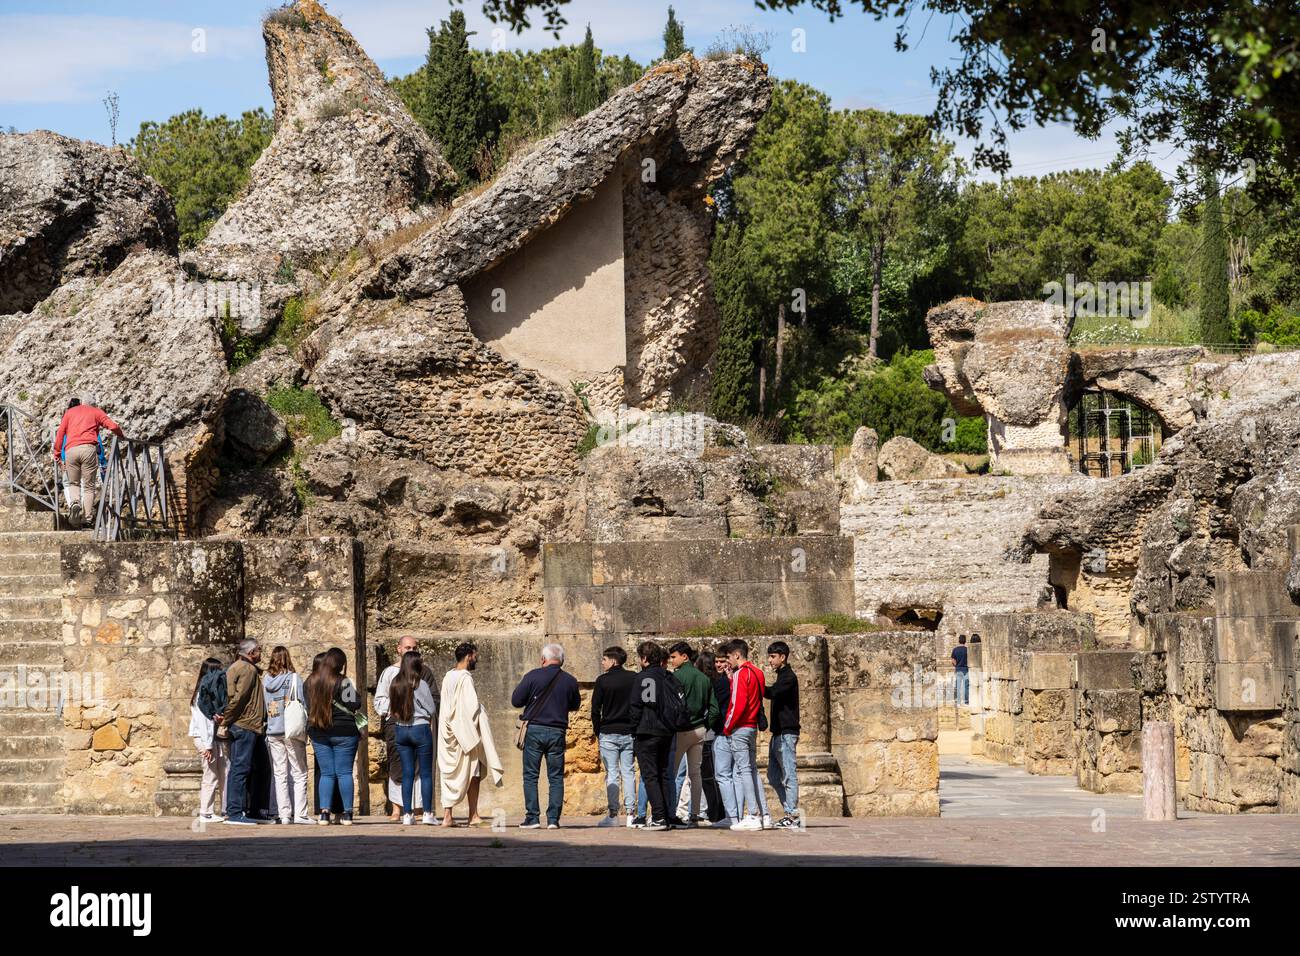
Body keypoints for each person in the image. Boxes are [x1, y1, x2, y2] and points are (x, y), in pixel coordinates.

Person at [511, 643, 581, 829]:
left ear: (543, 659)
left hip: (534, 730)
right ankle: (553, 820)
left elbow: (516, 700)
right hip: (557, 731)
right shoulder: (570, 680)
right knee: (556, 777)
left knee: (531, 775)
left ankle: (532, 818)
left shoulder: (533, 676)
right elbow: (575, 705)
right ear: (561, 660)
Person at [375, 635, 441, 821]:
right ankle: (418, 811)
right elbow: (431, 707)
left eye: (414, 648)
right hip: (414, 727)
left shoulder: (402, 681)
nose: (411, 651)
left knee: (411, 770)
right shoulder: (410, 680)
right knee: (410, 769)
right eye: (408, 648)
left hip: (402, 727)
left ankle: (410, 812)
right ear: (399, 649)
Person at [439, 642, 503, 827]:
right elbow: (471, 708)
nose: (476, 659)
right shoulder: (465, 678)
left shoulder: (447, 676)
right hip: (464, 735)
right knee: (473, 773)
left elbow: (446, 707)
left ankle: (447, 816)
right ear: (468, 656)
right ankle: (473, 815)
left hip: (448, 733)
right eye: (475, 656)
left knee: (449, 774)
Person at [305, 647, 361, 825]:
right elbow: (355, 703)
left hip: (319, 731)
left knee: (327, 774)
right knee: (344, 773)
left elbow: (307, 704)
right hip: (344, 731)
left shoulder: (310, 681)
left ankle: (324, 813)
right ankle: (347, 814)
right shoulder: (342, 681)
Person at [52, 397, 124, 529]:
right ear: (93, 404)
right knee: (89, 486)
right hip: (88, 449)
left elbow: (60, 434)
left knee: (73, 483)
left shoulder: (69, 413)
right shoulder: (95, 412)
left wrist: (57, 454)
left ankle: (75, 503)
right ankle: (87, 517)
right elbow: (113, 426)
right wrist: (121, 435)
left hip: (70, 450)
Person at [667, 641, 717, 827]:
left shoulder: (676, 677)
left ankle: (670, 811)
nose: (672, 660)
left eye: (674, 657)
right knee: (695, 774)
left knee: (671, 772)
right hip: (699, 729)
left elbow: (671, 706)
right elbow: (714, 710)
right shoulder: (704, 679)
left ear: (684, 656)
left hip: (680, 731)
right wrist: (705, 725)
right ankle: (695, 814)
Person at [629, 641, 676, 831]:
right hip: (667, 730)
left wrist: (633, 730)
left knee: (650, 775)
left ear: (645, 659)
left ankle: (658, 817)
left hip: (646, 730)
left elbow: (635, 707)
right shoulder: (669, 677)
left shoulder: (642, 678)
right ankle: (667, 816)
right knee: (664, 774)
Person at [219, 639, 267, 826]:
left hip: (250, 726)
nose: (261, 654)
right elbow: (239, 697)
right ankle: (234, 812)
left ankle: (252, 809)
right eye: (259, 650)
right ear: (252, 652)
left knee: (258, 768)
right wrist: (227, 719)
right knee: (240, 768)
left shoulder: (240, 667)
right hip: (245, 725)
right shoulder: (247, 669)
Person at [389, 650, 438, 825]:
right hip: (420, 728)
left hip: (401, 729)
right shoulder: (421, 684)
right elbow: (432, 709)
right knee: (425, 773)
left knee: (407, 773)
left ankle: (407, 814)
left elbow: (392, 709)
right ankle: (427, 813)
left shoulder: (395, 683)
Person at [263, 646, 310, 825]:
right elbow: (301, 703)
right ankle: (300, 813)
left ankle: (283, 814)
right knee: (299, 773)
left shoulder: (266, 680)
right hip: (291, 730)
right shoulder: (294, 678)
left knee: (280, 774)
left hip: (273, 730)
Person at [722, 639, 766, 832]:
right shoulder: (758, 672)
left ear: (737, 655)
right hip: (752, 726)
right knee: (752, 770)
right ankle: (764, 814)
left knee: (744, 771)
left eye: (729, 657)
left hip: (741, 726)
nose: (728, 661)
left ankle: (753, 814)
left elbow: (738, 704)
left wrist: (727, 727)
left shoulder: (742, 673)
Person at [591, 645, 636, 827]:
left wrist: (597, 730)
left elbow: (595, 709)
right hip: (629, 731)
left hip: (608, 731)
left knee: (612, 774)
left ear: (613, 661)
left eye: (604, 659)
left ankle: (613, 814)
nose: (602, 662)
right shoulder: (634, 678)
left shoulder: (602, 681)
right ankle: (631, 814)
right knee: (629, 772)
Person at [188, 658, 228, 824]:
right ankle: (205, 812)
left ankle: (214, 810)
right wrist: (207, 746)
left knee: (220, 773)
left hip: (209, 739)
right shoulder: (201, 696)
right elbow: (203, 724)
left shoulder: (205, 694)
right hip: (205, 739)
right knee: (210, 776)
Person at [765, 641, 800, 829]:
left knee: (789, 774)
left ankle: (793, 816)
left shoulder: (788, 677)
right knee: (773, 775)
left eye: (772, 657)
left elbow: (773, 693)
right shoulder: (781, 676)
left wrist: (755, 685)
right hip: (777, 733)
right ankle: (789, 811)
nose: (770, 660)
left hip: (787, 733)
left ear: (782, 657)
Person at [709, 650, 739, 828]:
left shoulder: (722, 684)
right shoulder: (733, 680)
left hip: (724, 731)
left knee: (723, 774)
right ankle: (737, 815)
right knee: (736, 774)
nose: (719, 664)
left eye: (722, 661)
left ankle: (732, 815)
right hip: (733, 730)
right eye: (717, 661)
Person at [952, 634, 970, 706]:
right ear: (965, 641)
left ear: (959, 640)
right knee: (966, 686)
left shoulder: (955, 650)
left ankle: (958, 702)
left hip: (958, 669)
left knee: (958, 686)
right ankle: (966, 702)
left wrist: (956, 665)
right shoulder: (967, 650)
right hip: (965, 669)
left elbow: (953, 661)